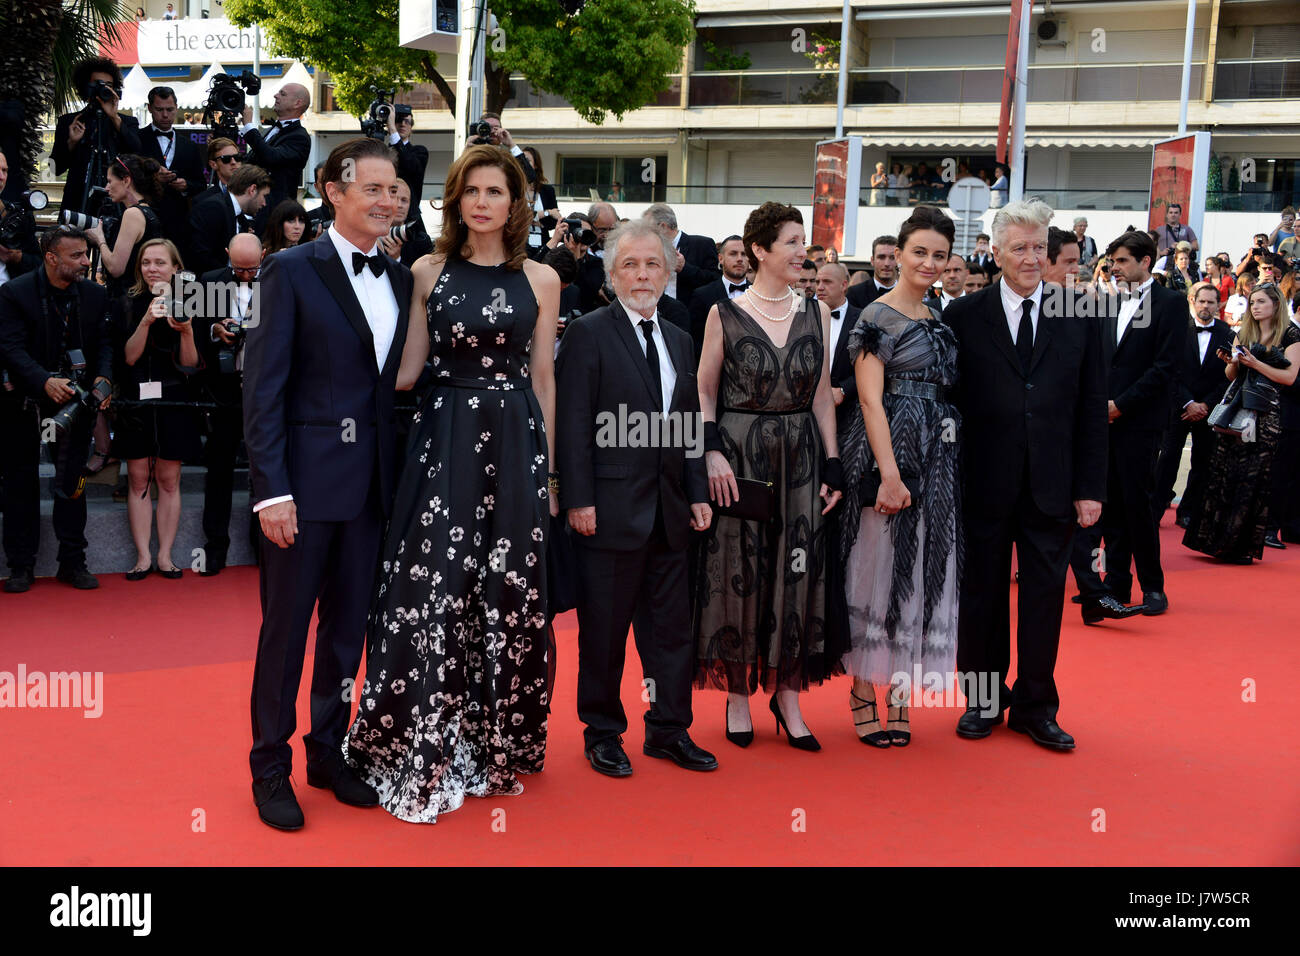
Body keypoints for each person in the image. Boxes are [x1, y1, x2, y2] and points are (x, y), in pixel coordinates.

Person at [343, 143, 558, 821]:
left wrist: (548, 470)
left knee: (506, 590)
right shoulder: (428, 271)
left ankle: (498, 734)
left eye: (496, 192)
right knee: (434, 581)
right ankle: (424, 730)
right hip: (446, 436)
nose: (483, 203)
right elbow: (405, 369)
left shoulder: (543, 278)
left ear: (514, 203)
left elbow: (543, 377)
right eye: (472, 191)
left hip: (517, 438)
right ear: (456, 200)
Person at [243, 138, 413, 830]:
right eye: (371, 188)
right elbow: (263, 387)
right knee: (284, 635)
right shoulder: (290, 270)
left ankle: (327, 749)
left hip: (372, 493)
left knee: (348, 636)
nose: (387, 200)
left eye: (395, 189)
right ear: (332, 191)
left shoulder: (401, 280)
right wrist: (271, 490)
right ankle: (269, 765)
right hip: (303, 493)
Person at [556, 219, 716, 777]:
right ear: (612, 274)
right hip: (608, 511)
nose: (642, 274)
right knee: (604, 634)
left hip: (671, 514)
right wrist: (578, 498)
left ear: (670, 270)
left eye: (652, 264)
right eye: (631, 264)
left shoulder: (680, 337)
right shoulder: (589, 333)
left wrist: (697, 490)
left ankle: (669, 729)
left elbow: (688, 423)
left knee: (671, 633)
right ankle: (602, 732)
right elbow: (573, 422)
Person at [945, 198, 1107, 751]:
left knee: (1043, 598)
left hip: (1053, 485)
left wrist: (1090, 489)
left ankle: (1037, 706)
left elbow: (1091, 408)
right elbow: (952, 404)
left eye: (1040, 247)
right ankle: (984, 702)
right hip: (982, 483)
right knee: (982, 597)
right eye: (1020, 247)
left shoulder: (1080, 313)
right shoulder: (964, 316)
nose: (1032, 257)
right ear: (995, 252)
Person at [694, 201, 845, 752]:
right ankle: (737, 692)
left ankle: (787, 694)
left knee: (796, 569)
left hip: (802, 458)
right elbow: (704, 390)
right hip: (740, 456)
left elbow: (824, 396)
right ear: (760, 250)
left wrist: (833, 463)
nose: (802, 251)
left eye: (802, 241)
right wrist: (710, 453)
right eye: (791, 241)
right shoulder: (723, 313)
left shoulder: (818, 312)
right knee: (739, 564)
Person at [839, 206, 962, 747]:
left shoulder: (939, 318)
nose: (929, 263)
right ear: (900, 253)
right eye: (920, 252)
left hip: (938, 457)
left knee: (921, 562)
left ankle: (899, 691)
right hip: (888, 450)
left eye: (939, 255)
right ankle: (865, 691)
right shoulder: (876, 317)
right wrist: (888, 474)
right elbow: (869, 399)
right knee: (879, 563)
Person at [1073, 230, 1183, 618]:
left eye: (1121, 261)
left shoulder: (1171, 303)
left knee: (1136, 505)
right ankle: (1112, 586)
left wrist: (1121, 405)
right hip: (1100, 419)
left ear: (1145, 262)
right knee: (1105, 503)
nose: (1113, 268)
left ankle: (1153, 586)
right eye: (1112, 261)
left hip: (1138, 421)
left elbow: (1165, 367)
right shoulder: (1106, 302)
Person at [0, 227, 113, 592]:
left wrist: (103, 379)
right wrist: (43, 380)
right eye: (76, 256)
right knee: (20, 483)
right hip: (24, 403)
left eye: (85, 254)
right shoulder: (14, 293)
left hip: (76, 403)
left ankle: (72, 562)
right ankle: (20, 566)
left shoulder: (95, 296)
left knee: (72, 484)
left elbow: (106, 344)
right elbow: (9, 348)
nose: (85, 262)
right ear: (51, 258)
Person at [1184, 283, 1300, 562]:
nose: (1255, 307)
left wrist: (1254, 363)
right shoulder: (1243, 332)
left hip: (1267, 413)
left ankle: (1240, 548)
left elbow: (1289, 378)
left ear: (1275, 304)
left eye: (1261, 302)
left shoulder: (1291, 335)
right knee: (1225, 472)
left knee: (1253, 478)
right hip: (1236, 409)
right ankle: (1214, 542)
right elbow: (1230, 375)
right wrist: (1232, 362)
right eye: (1252, 303)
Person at [112, 238, 203, 580]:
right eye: (146, 262)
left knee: (169, 478)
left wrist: (188, 332)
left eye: (160, 262)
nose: (152, 269)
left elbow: (191, 365)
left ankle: (165, 556)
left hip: (174, 400)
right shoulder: (127, 302)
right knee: (137, 478)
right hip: (136, 400)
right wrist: (147, 321)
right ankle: (141, 557)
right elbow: (129, 357)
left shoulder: (191, 302)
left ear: (176, 268)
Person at [196, 233, 262, 577]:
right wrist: (215, 330)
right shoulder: (210, 281)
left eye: (253, 269)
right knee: (218, 471)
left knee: (263, 470)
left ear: (264, 254)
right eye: (239, 269)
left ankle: (263, 547)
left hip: (264, 393)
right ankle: (214, 548)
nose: (247, 275)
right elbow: (196, 330)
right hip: (223, 393)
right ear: (226, 256)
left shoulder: (278, 279)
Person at [1152, 282, 1234, 529]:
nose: (1206, 306)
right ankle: (1154, 510)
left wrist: (1205, 405)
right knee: (1166, 460)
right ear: (1192, 301)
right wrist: (1187, 403)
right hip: (1178, 407)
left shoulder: (1227, 332)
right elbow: (1169, 370)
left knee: (1203, 462)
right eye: (1202, 301)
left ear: (1218, 305)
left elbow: (1228, 376)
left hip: (1208, 409)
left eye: (1211, 302)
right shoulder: (1177, 328)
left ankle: (1188, 511)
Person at [52, 58, 142, 216]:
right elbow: (55, 168)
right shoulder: (70, 122)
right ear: (86, 88)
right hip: (78, 202)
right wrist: (71, 143)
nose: (103, 90)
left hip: (116, 202)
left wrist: (115, 118)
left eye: (108, 86)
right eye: (98, 85)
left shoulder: (126, 122)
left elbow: (137, 151)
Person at [83, 155, 164, 300]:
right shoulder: (147, 211)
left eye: (110, 181)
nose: (107, 188)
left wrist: (99, 239)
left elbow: (116, 268)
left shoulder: (132, 214)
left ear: (126, 180)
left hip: (130, 301)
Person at [138, 86, 205, 253]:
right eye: (159, 110)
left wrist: (185, 186)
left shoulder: (189, 145)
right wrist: (153, 178)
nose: (165, 115)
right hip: (145, 218)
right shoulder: (137, 139)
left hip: (179, 223)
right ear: (150, 109)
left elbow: (200, 184)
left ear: (177, 108)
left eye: (170, 109)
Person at [238, 83, 311, 227]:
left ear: (298, 103)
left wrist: (249, 126)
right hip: (254, 210)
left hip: (275, 217)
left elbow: (271, 157)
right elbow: (253, 160)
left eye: (282, 94)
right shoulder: (273, 130)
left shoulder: (300, 137)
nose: (275, 96)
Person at [187, 164, 270, 276]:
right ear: (252, 190)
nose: (264, 203)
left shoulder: (239, 216)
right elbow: (201, 256)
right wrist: (232, 276)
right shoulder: (214, 208)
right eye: (264, 196)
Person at [641, 202, 719, 306]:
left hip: (690, 313)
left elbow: (715, 282)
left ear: (663, 226)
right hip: (656, 312)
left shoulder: (702, 244)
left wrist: (685, 268)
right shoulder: (649, 250)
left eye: (649, 230)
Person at [687, 235, 749, 358]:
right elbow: (696, 341)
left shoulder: (760, 294)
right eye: (733, 254)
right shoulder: (702, 296)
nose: (739, 259)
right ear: (720, 259)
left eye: (744, 254)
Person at [0, 149, 41, 282]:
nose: (1, 177)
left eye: (4, 171)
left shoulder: (18, 215)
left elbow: (38, 263)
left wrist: (17, 257)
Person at [386, 104, 428, 210]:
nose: (403, 124)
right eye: (398, 120)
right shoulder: (381, 153)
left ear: (411, 127)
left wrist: (392, 129)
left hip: (410, 217)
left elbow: (409, 165)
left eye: (407, 122)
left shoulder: (419, 151)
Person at [521, 146, 560, 253]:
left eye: (527, 160)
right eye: (520, 160)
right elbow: (519, 216)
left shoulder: (547, 190)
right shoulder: (513, 190)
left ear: (536, 165)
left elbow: (554, 222)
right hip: (519, 244)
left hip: (543, 244)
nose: (523, 163)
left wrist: (538, 222)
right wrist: (547, 213)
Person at [846, 235, 898, 308]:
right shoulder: (855, 293)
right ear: (872, 260)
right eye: (881, 257)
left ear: (900, 260)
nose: (887, 263)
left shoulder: (910, 295)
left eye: (892, 258)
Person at [200, 137, 241, 204]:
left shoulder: (256, 194)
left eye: (237, 157)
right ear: (213, 164)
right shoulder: (203, 200)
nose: (233, 162)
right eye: (226, 159)